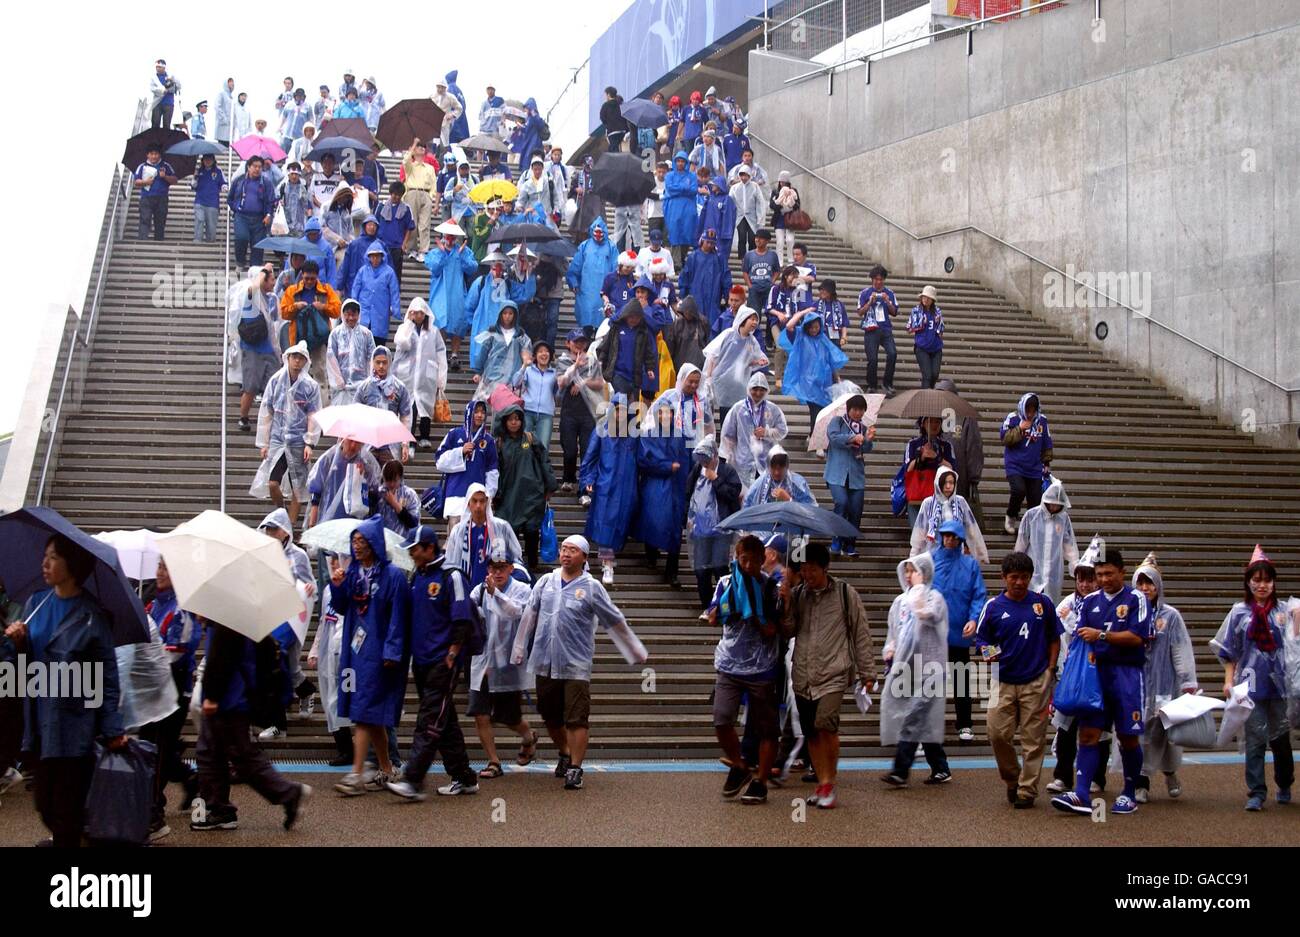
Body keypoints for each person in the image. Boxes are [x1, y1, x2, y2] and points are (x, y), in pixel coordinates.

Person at [5, 536, 125, 846]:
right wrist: (18, 643)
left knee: (66, 807)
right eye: (45, 556)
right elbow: (23, 668)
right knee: (44, 802)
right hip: (40, 721)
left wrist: (111, 725)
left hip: (76, 726)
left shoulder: (91, 615)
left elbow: (106, 676)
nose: (45, 564)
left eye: (53, 558)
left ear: (72, 565)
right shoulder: (35, 603)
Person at [511, 534, 648, 790]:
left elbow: (613, 619)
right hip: (545, 660)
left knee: (576, 718)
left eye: (572, 550)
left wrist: (634, 649)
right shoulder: (546, 582)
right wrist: (519, 648)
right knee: (550, 715)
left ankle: (575, 767)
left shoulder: (592, 587)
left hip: (576, 663)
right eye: (563, 549)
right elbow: (529, 615)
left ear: (584, 557)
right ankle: (564, 752)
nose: (565, 554)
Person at [383, 525, 481, 800]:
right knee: (444, 719)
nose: (412, 554)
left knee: (429, 720)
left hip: (443, 661)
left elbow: (462, 617)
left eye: (415, 549)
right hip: (423, 660)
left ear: (429, 547)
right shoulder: (418, 577)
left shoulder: (451, 576)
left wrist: (452, 653)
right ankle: (464, 776)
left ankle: (413, 781)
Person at [1051, 548, 1150, 817]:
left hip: (1126, 674)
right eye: (1099, 574)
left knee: (1128, 737)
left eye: (1109, 573)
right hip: (1095, 675)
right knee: (1088, 734)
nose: (1103, 579)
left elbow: (1137, 637)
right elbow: (1082, 637)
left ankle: (1129, 793)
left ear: (1122, 572)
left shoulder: (1136, 598)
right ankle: (1082, 793)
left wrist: (1102, 635)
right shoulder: (1090, 600)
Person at [779, 542, 876, 809]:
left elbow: (861, 633)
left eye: (812, 569)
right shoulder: (798, 595)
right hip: (803, 674)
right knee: (810, 731)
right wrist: (785, 603)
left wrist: (868, 672)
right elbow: (787, 631)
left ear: (825, 568)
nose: (807, 575)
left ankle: (829, 783)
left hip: (834, 672)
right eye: (803, 569)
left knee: (826, 725)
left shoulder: (846, 593)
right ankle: (822, 783)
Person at [191, 617, 310, 833]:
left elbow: (224, 655)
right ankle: (220, 810)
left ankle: (289, 793)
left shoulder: (226, 617)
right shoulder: (228, 615)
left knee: (241, 757)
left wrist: (213, 695)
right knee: (212, 753)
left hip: (230, 698)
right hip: (230, 696)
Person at [1210, 545, 1299, 811]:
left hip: (1280, 686)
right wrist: (1228, 681)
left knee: (1281, 740)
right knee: (1255, 740)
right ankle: (1257, 791)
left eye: (1267, 580)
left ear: (1274, 583)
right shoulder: (1239, 612)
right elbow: (1230, 652)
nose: (1262, 585)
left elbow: (1296, 645)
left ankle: (1284, 782)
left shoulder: (1285, 611)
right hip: (1250, 685)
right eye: (1257, 580)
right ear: (1248, 582)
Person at [330, 518, 411, 796]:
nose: (357, 546)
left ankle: (355, 775)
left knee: (364, 712)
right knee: (369, 713)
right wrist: (338, 585)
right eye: (354, 542)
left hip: (379, 653)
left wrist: (392, 650)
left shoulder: (394, 577)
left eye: (362, 542)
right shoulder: (352, 573)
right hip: (355, 653)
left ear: (374, 544)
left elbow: (399, 619)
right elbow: (340, 607)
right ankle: (387, 768)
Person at [975, 551, 1063, 809]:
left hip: (1036, 680)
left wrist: (1050, 668)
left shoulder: (1043, 603)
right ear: (1004, 578)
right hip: (1001, 681)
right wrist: (991, 655)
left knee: (1033, 740)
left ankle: (1027, 790)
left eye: (1025, 577)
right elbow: (981, 641)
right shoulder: (992, 606)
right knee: (996, 733)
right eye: (1014, 577)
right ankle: (1012, 777)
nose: (1019, 582)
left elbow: (1054, 638)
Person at [710, 535, 782, 804]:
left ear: (763, 560)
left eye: (754, 560)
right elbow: (713, 611)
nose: (749, 564)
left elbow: (774, 628)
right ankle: (740, 765)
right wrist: (714, 614)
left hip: (761, 666)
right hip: (729, 663)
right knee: (721, 719)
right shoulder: (726, 583)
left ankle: (760, 781)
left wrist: (761, 618)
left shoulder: (770, 586)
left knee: (766, 729)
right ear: (736, 558)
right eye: (744, 559)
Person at [1129, 552, 1198, 803]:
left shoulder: (1170, 616)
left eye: (1150, 583)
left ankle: (1170, 772)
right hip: (1136, 684)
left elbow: (1180, 649)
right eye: (1141, 583)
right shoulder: (1128, 613)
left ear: (1158, 586)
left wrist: (1188, 681)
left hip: (1164, 685)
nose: (1145, 588)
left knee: (1164, 736)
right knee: (1138, 735)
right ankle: (1141, 782)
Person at [467, 546, 540, 780]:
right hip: (481, 661)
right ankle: (493, 761)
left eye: (502, 568)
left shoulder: (522, 589)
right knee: (480, 713)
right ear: (488, 568)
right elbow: (470, 617)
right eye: (493, 568)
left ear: (511, 568)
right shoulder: (478, 591)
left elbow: (516, 612)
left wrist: (496, 594)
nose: (498, 573)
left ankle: (528, 736)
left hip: (509, 663)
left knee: (508, 716)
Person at [1046, 536, 1111, 795]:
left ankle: (1098, 777)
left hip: (1101, 673)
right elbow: (1059, 639)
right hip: (1072, 673)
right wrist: (1061, 670)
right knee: (1066, 726)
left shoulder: (1109, 604)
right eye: (1080, 579)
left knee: (1100, 730)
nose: (1085, 584)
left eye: (1090, 578)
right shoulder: (1067, 605)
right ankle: (1063, 775)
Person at [880, 552, 951, 788]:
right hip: (907, 670)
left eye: (915, 571)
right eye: (908, 571)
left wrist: (918, 597)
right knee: (923, 719)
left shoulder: (935, 598)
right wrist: (890, 650)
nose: (909, 576)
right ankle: (940, 767)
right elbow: (894, 632)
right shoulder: (900, 602)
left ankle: (900, 771)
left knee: (914, 716)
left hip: (931, 669)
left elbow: (930, 616)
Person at [144, 558, 202, 818]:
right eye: (158, 566)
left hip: (174, 689)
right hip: (150, 686)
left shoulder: (181, 610)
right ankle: (189, 779)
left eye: (166, 567)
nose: (160, 572)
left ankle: (154, 810)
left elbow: (178, 651)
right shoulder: (152, 604)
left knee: (160, 749)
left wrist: (147, 656)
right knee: (151, 746)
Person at [251, 341, 321, 530]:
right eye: (294, 357)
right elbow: (267, 411)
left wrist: (310, 442)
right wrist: (263, 442)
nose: (297, 361)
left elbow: (313, 415)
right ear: (288, 358)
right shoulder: (275, 381)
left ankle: (289, 526)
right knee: (273, 482)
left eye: (301, 358)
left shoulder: (310, 386)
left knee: (298, 487)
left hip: (298, 441)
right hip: (278, 439)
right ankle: (281, 512)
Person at [931, 519, 987, 743]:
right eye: (946, 535)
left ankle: (964, 723)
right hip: (933, 633)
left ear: (960, 539)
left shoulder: (970, 565)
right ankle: (929, 724)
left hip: (959, 632)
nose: (950, 539)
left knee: (961, 681)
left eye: (954, 536)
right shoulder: (930, 561)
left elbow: (978, 595)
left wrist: (974, 619)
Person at [635, 389, 693, 589]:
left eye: (668, 412)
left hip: (675, 488)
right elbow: (643, 461)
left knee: (675, 529)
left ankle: (672, 571)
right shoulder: (648, 435)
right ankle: (651, 555)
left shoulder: (680, 437)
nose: (665, 416)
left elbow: (688, 462)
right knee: (653, 520)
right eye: (661, 412)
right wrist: (666, 467)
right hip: (655, 485)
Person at [580, 395, 640, 585]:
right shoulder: (601, 431)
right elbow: (590, 457)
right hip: (606, 485)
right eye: (617, 409)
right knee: (605, 524)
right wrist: (588, 479)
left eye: (623, 409)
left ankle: (603, 556)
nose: (620, 413)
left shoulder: (634, 435)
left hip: (626, 488)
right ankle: (607, 562)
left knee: (617, 525)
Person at [493, 405, 557, 571]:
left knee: (531, 531)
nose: (514, 422)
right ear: (505, 422)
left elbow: (544, 461)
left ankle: (532, 564)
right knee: (509, 531)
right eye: (511, 419)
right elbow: (494, 470)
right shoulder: (499, 444)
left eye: (517, 419)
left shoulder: (530, 438)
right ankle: (512, 564)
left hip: (532, 494)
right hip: (509, 496)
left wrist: (550, 486)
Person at [231, 264, 281, 433]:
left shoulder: (272, 298)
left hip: (269, 349)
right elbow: (254, 285)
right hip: (252, 348)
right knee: (251, 387)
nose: (274, 282)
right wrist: (265, 270)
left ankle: (270, 421)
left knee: (273, 388)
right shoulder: (252, 296)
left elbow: (275, 325)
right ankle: (243, 417)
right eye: (272, 279)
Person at [280, 259, 342, 395]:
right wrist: (295, 307)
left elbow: (337, 310)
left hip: (319, 340)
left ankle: (322, 406)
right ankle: (295, 401)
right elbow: (284, 313)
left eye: (312, 279)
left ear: (317, 276)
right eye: (306, 278)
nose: (309, 281)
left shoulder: (325, 290)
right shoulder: (292, 291)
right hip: (298, 340)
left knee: (320, 373)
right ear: (302, 275)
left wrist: (323, 307)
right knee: (296, 372)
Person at [824, 394, 875, 558]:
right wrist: (853, 437)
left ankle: (850, 544)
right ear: (848, 409)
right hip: (836, 473)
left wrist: (867, 440)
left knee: (855, 510)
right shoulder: (837, 422)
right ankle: (836, 539)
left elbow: (866, 449)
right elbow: (833, 438)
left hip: (856, 474)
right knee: (841, 502)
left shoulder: (864, 428)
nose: (858, 413)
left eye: (861, 410)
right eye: (855, 409)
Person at [392, 297, 447, 450]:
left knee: (425, 407)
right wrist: (409, 325)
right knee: (410, 407)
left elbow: (441, 353)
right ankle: (409, 439)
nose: (418, 316)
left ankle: (424, 435)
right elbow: (403, 343)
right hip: (407, 375)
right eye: (415, 313)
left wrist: (441, 377)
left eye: (421, 313)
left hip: (426, 376)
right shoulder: (404, 328)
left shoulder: (434, 332)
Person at [555, 328, 605, 495]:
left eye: (582, 341)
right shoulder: (562, 361)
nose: (579, 345)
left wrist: (583, 383)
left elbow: (600, 383)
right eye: (576, 341)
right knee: (569, 449)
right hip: (568, 410)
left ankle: (584, 488)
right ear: (568, 343)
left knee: (586, 449)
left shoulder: (593, 361)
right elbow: (561, 382)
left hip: (587, 411)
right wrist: (576, 365)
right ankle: (568, 478)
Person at [778, 307, 848, 426]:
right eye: (812, 327)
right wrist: (802, 313)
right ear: (807, 326)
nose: (814, 330)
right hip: (809, 383)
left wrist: (837, 378)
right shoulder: (800, 335)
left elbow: (830, 360)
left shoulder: (823, 339)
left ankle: (814, 435)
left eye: (817, 327)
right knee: (816, 411)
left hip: (825, 381)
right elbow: (789, 326)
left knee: (823, 411)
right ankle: (813, 435)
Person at [434, 400, 499, 528]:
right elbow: (439, 461)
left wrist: (488, 495)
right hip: (455, 492)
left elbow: (492, 470)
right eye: (476, 412)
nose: (480, 415)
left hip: (477, 496)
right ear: (469, 413)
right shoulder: (454, 434)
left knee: (475, 535)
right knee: (454, 533)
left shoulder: (488, 440)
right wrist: (460, 452)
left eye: (483, 412)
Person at [720, 372, 788, 491]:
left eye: (762, 389)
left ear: (766, 390)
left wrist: (767, 432)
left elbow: (783, 430)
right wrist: (728, 457)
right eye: (755, 389)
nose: (758, 393)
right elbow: (728, 435)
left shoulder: (773, 409)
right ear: (749, 389)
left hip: (766, 462)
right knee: (745, 499)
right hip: (743, 462)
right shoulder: (738, 408)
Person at [1014, 476, 1077, 603]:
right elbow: (1022, 541)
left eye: (1057, 505)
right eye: (1051, 504)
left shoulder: (1063, 519)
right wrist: (1017, 563)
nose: (1054, 507)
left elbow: (1068, 542)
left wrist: (1074, 563)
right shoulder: (1032, 515)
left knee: (1050, 603)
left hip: (1054, 569)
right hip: (1033, 567)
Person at [1000, 391, 1054, 535]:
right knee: (1018, 490)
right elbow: (1005, 438)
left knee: (1035, 499)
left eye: (1033, 410)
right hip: (1015, 464)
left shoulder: (1042, 421)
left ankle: (1030, 528)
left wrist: (1047, 462)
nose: (1030, 414)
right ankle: (1011, 515)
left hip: (1035, 467)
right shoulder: (1013, 418)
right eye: (1027, 409)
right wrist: (1020, 428)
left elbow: (1047, 442)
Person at [912, 465, 989, 564]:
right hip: (933, 556)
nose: (948, 486)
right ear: (938, 483)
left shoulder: (960, 502)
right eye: (945, 483)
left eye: (951, 483)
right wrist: (913, 557)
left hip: (956, 555)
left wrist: (981, 553)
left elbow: (972, 529)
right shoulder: (928, 503)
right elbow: (919, 532)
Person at [934, 378, 984, 531]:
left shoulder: (966, 416)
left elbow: (974, 447)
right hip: (935, 472)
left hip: (959, 473)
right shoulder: (931, 415)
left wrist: (974, 477)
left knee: (956, 509)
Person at [355, 346, 413, 466]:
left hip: (390, 443)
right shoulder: (364, 387)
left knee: (391, 479)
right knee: (368, 479)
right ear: (373, 363)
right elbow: (355, 415)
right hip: (368, 442)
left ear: (389, 363)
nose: (381, 366)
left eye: (384, 362)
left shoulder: (399, 387)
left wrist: (405, 443)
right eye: (378, 362)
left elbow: (405, 417)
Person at [702, 307, 767, 414]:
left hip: (739, 384)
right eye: (752, 319)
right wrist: (708, 377)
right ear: (743, 319)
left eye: (756, 320)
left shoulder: (752, 341)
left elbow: (748, 361)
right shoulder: (729, 334)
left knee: (737, 413)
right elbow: (712, 354)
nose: (755, 322)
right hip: (722, 381)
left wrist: (757, 362)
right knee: (724, 412)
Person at [307, 437, 382, 527]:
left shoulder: (367, 463)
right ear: (343, 439)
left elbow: (375, 492)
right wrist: (312, 520)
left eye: (357, 442)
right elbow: (316, 489)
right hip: (327, 515)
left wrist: (362, 479)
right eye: (350, 441)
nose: (353, 446)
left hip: (354, 521)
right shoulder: (329, 458)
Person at [596, 299, 658, 404]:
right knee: (621, 403)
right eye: (631, 316)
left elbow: (648, 352)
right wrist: (601, 360)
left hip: (635, 376)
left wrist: (650, 368)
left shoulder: (643, 332)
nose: (634, 319)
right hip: (618, 373)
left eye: (637, 317)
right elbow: (605, 345)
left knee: (633, 408)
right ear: (626, 315)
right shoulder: (616, 328)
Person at [902, 417, 956, 526]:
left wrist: (937, 457)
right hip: (917, 492)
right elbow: (907, 469)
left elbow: (953, 468)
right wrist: (920, 457)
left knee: (937, 533)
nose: (934, 425)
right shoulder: (913, 444)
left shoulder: (946, 446)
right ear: (923, 424)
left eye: (937, 422)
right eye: (930, 422)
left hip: (940, 494)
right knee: (918, 533)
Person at [566, 218, 618, 332]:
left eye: (600, 233)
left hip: (604, 293)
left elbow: (616, 269)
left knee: (603, 326)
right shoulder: (584, 246)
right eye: (596, 232)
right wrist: (573, 282)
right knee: (586, 323)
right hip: (586, 291)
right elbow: (575, 267)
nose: (598, 235)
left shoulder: (611, 247)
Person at [856, 264, 898, 396]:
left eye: (881, 279)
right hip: (871, 329)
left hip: (885, 329)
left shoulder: (889, 293)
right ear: (872, 279)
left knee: (892, 353)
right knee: (872, 359)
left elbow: (895, 312)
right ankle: (872, 385)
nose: (879, 282)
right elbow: (859, 312)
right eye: (876, 279)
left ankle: (887, 383)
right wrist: (869, 302)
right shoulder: (865, 293)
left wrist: (887, 301)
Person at [679, 229, 733, 332]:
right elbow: (685, 277)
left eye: (712, 243)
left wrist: (728, 298)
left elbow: (726, 279)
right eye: (707, 242)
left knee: (712, 327)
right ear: (702, 241)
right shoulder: (693, 257)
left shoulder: (719, 258)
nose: (709, 245)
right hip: (695, 298)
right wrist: (683, 296)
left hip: (713, 299)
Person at [228, 156, 278, 267]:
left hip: (260, 219)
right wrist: (236, 208)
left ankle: (255, 268)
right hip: (242, 217)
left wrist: (268, 214)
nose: (257, 169)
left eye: (260, 167)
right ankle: (240, 262)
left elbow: (271, 201)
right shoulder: (239, 181)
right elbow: (230, 198)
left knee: (258, 245)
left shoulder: (266, 183)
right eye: (254, 166)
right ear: (249, 167)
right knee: (241, 238)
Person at [326, 298, 376, 407]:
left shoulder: (366, 334)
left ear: (359, 314)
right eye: (347, 314)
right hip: (341, 388)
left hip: (361, 385)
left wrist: (369, 380)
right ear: (342, 314)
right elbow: (331, 357)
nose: (351, 318)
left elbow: (371, 358)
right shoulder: (336, 333)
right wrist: (338, 380)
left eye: (354, 314)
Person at [510, 339, 558, 451]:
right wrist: (523, 367)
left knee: (543, 447)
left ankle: (540, 468)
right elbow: (515, 383)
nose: (544, 354)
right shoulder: (529, 371)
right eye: (540, 351)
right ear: (535, 355)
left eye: (546, 351)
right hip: (528, 412)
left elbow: (559, 392)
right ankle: (525, 467)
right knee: (525, 446)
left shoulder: (554, 373)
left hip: (546, 414)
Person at [352, 242, 401, 345]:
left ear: (382, 256)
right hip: (364, 310)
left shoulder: (389, 272)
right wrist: (353, 304)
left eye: (377, 256)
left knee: (378, 342)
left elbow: (394, 291)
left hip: (381, 311)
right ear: (368, 257)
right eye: (372, 256)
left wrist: (394, 308)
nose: (375, 259)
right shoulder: (363, 271)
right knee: (362, 342)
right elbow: (356, 288)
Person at [743, 446, 815, 509]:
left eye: (780, 468)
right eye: (773, 468)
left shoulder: (797, 483)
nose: (776, 472)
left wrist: (788, 499)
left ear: (786, 467)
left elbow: (810, 509)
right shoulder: (761, 483)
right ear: (768, 467)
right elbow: (747, 505)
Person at [335, 214, 387, 301]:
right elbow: (345, 266)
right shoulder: (354, 244)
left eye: (374, 225)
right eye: (369, 225)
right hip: (353, 283)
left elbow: (387, 265)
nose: (372, 227)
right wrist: (339, 284)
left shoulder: (381, 245)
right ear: (364, 226)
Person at [133, 143, 177, 241]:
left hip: (162, 197)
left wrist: (165, 176)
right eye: (151, 154)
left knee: (160, 221)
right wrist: (146, 182)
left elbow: (174, 180)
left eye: (156, 154)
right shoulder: (142, 166)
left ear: (160, 155)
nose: (154, 156)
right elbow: (136, 182)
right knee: (145, 219)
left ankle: (159, 242)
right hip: (146, 197)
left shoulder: (165, 166)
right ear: (147, 155)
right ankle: (142, 241)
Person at [402, 138, 438, 258]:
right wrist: (413, 145)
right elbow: (405, 160)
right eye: (419, 146)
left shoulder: (430, 168)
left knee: (425, 224)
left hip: (425, 193)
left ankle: (424, 250)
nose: (421, 148)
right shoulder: (410, 166)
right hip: (412, 192)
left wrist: (430, 196)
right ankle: (411, 248)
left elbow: (434, 184)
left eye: (423, 146)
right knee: (413, 223)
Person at [663, 151, 699, 268]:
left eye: (682, 161)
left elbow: (694, 190)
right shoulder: (669, 175)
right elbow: (670, 189)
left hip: (688, 209)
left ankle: (682, 259)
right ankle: (676, 263)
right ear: (674, 162)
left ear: (686, 162)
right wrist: (684, 188)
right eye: (678, 161)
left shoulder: (692, 176)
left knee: (687, 233)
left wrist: (679, 189)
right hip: (673, 208)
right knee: (674, 233)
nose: (680, 163)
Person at [665, 295, 711, 375]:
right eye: (685, 312)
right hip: (680, 362)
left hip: (698, 363)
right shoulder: (678, 323)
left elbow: (707, 342)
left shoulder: (703, 322)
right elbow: (671, 343)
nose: (687, 314)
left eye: (689, 312)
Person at [908, 285, 944, 389]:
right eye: (924, 297)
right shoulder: (916, 311)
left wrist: (939, 332)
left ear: (933, 300)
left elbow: (941, 329)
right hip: (922, 347)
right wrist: (920, 323)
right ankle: (925, 395)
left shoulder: (937, 311)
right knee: (927, 375)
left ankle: (930, 393)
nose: (925, 299)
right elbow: (909, 329)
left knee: (935, 375)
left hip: (936, 348)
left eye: (928, 298)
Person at [378, 460, 421, 539]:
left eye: (395, 480)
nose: (391, 484)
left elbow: (414, 523)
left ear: (401, 478)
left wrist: (396, 505)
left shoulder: (409, 494)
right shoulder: (378, 494)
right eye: (388, 480)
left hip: (403, 541)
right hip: (382, 541)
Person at [696, 176, 736, 258]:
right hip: (707, 232)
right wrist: (700, 230)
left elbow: (728, 219)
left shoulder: (727, 200)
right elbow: (703, 214)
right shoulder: (710, 199)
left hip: (719, 234)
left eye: (714, 184)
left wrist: (726, 234)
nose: (712, 186)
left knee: (719, 255)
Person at [191, 152, 225, 243]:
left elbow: (224, 183)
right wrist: (195, 178)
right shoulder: (198, 171)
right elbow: (193, 186)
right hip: (200, 201)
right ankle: (197, 240)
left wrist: (224, 187)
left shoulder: (218, 171)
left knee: (211, 225)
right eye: (206, 159)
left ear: (214, 160)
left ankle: (210, 242)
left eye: (210, 159)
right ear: (202, 161)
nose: (208, 161)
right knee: (199, 220)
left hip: (212, 203)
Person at [769, 171, 800, 265]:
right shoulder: (775, 191)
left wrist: (791, 202)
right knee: (780, 242)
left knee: (790, 240)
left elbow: (797, 205)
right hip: (779, 219)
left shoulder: (793, 191)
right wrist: (780, 202)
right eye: (781, 182)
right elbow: (772, 205)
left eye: (785, 182)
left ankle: (791, 260)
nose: (782, 184)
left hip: (790, 219)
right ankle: (780, 262)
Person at [149, 58, 180, 129]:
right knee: (155, 123)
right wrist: (162, 90)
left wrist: (172, 84)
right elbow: (152, 89)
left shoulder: (170, 76)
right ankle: (154, 139)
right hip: (157, 103)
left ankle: (165, 139)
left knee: (166, 124)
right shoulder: (154, 78)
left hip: (168, 103)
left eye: (159, 67)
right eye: (156, 67)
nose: (157, 69)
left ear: (163, 67)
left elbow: (178, 87)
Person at [600, 86, 629, 151]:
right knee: (619, 147)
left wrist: (608, 125)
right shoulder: (619, 104)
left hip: (612, 131)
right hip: (622, 131)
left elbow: (602, 117)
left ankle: (616, 161)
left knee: (613, 149)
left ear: (609, 94)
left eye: (606, 95)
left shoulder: (605, 105)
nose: (605, 97)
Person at [215, 78, 235, 143]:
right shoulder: (222, 94)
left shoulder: (231, 97)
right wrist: (224, 119)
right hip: (223, 126)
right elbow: (217, 107)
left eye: (233, 82)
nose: (232, 83)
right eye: (230, 82)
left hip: (230, 129)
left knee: (229, 148)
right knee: (222, 146)